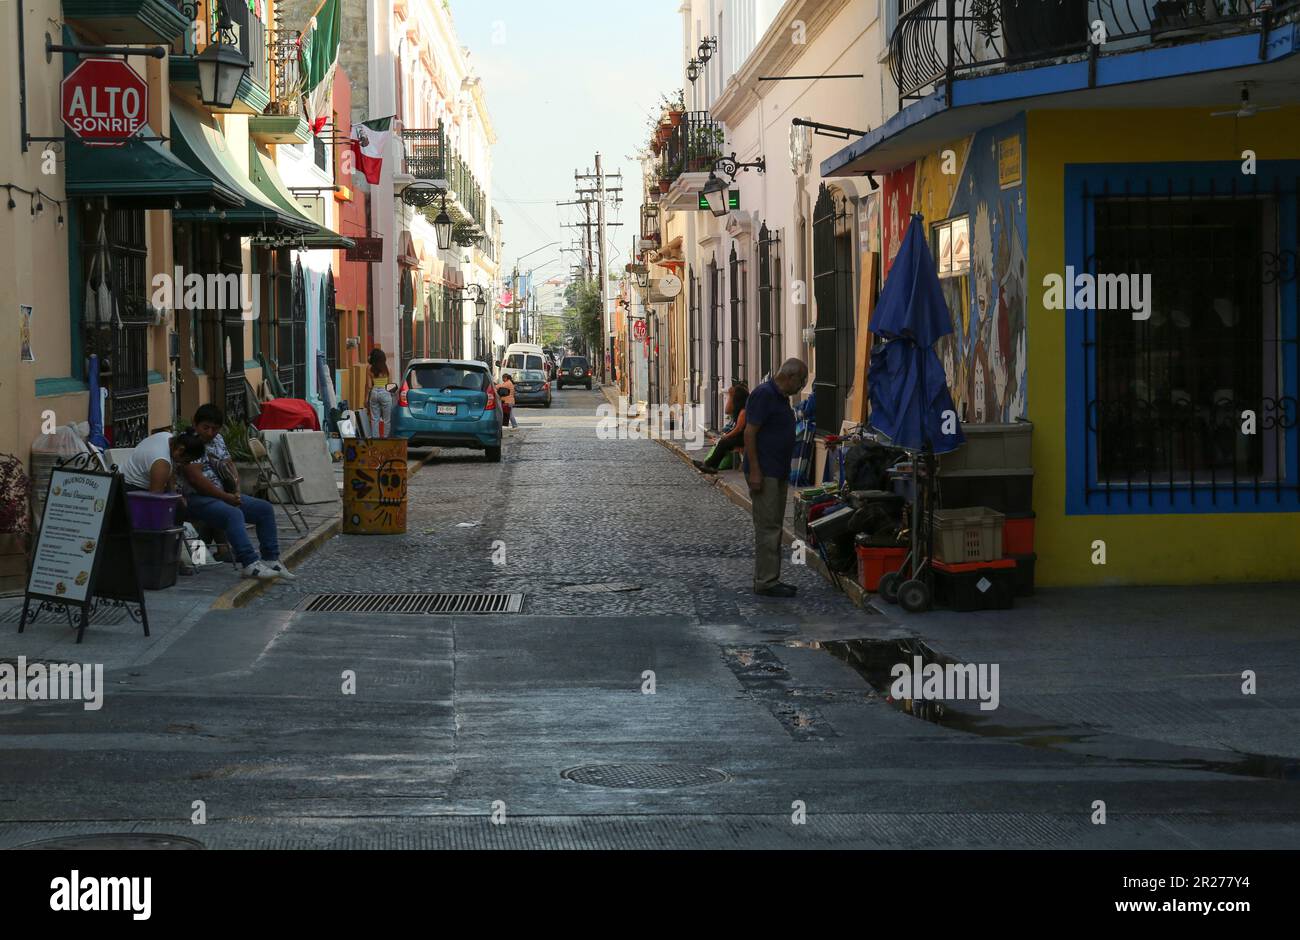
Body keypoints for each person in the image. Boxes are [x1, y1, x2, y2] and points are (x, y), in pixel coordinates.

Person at [182, 404, 293, 581]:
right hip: (198, 497)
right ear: (195, 424)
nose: (210, 433)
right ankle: (250, 563)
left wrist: (236, 489)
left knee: (264, 509)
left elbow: (229, 464)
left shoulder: (217, 440)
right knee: (232, 514)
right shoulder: (189, 442)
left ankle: (270, 558)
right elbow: (196, 479)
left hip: (223, 494)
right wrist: (226, 497)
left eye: (214, 429)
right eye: (206, 428)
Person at [743, 359, 809, 598]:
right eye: (801, 382)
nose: (801, 387)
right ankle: (766, 581)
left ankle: (769, 577)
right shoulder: (764, 394)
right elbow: (750, 433)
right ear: (790, 377)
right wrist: (755, 471)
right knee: (768, 527)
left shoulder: (779, 397)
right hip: (766, 471)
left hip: (777, 471)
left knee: (774, 526)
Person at [122, 430, 206, 494]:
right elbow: (155, 499)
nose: (186, 464)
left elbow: (170, 474)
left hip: (123, 478)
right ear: (180, 450)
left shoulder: (167, 437)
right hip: (131, 490)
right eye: (187, 460)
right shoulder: (162, 463)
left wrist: (174, 494)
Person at [694, 382, 748, 475]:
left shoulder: (744, 411)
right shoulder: (739, 409)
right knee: (723, 441)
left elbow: (738, 429)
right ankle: (709, 464)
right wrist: (730, 396)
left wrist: (727, 436)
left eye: (734, 398)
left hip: (745, 437)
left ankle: (709, 465)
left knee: (724, 442)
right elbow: (727, 410)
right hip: (739, 436)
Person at [368, 347, 394, 438]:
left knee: (374, 419)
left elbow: (369, 386)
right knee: (387, 420)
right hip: (385, 393)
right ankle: (386, 439)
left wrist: (365, 398)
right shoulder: (388, 368)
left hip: (374, 392)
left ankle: (375, 439)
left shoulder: (370, 369)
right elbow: (390, 385)